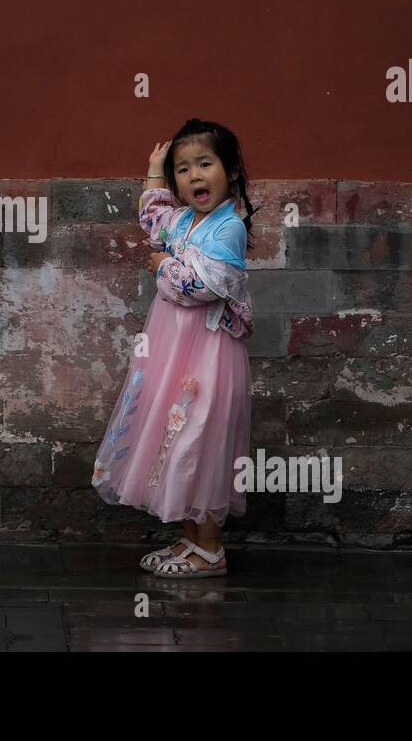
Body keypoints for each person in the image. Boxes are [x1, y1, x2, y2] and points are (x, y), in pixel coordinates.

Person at [91, 122, 256, 578]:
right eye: (182, 170)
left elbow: (200, 286)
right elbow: (152, 215)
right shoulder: (182, 220)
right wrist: (152, 173)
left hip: (207, 355)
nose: (194, 177)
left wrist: (163, 263)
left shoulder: (228, 228)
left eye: (205, 164)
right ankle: (189, 538)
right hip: (172, 351)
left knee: (195, 443)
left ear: (232, 170)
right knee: (172, 435)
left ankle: (211, 547)